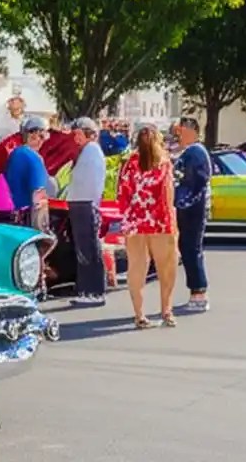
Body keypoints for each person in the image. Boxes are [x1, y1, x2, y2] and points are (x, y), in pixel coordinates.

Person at [117, 124, 178, 328]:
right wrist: (172, 223)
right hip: (159, 220)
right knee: (166, 267)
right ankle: (166, 311)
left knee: (136, 267)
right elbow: (168, 194)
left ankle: (139, 314)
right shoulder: (164, 163)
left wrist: (128, 216)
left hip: (135, 221)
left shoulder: (130, 163)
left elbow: (122, 193)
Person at [65, 117, 106, 306]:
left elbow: (85, 182)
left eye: (79, 134)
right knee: (86, 249)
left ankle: (93, 290)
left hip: (84, 204)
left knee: (88, 249)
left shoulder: (91, 151)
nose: (76, 139)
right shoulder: (89, 151)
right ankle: (88, 289)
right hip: (82, 204)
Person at [173, 116, 212, 312]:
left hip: (192, 208)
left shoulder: (196, 152)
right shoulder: (189, 152)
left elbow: (198, 183)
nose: (177, 135)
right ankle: (197, 291)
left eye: (180, 131)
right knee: (188, 248)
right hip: (187, 207)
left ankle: (199, 292)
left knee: (191, 248)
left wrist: (183, 202)